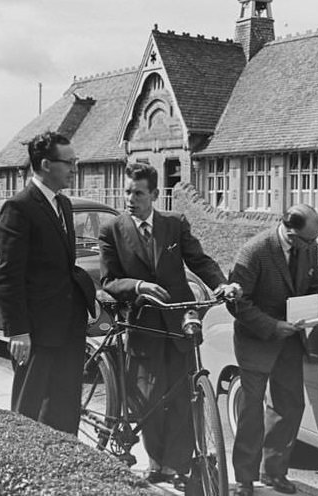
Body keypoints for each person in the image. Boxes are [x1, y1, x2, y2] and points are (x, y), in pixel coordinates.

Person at [98, 163, 240, 490]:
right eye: (128, 192)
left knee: (182, 398)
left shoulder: (174, 225)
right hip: (142, 326)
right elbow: (109, 281)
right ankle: (158, 463)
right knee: (149, 401)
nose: (130, 199)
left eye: (138, 193)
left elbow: (199, 260)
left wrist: (221, 284)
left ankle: (179, 467)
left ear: (155, 195)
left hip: (178, 324)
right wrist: (138, 287)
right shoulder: (113, 230)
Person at [0, 131, 96, 435]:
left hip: (68, 328)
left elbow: (62, 268)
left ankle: (64, 475)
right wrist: (18, 330)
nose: (75, 169)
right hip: (36, 333)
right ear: (45, 164)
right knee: (29, 413)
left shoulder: (63, 205)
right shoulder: (19, 208)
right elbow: (8, 275)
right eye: (70, 162)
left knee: (65, 412)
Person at [227, 204, 318, 496]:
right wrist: (272, 326)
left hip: (291, 340)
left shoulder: (307, 247)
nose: (314, 244)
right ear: (292, 235)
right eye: (311, 239)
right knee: (251, 412)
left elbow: (314, 283)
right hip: (256, 341)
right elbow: (237, 303)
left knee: (290, 406)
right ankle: (244, 479)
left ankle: (274, 472)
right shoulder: (254, 251)